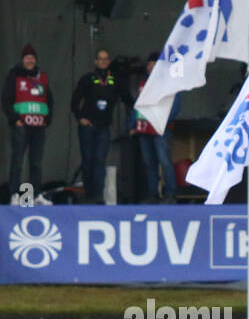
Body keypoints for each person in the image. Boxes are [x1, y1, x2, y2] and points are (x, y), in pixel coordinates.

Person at [72, 48, 128, 203]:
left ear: (109, 61)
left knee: (99, 161)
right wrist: (80, 118)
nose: (103, 62)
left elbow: (128, 99)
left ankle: (97, 196)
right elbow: (74, 102)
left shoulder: (115, 80)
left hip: (103, 128)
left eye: (106, 59)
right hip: (88, 127)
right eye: (100, 59)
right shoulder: (87, 79)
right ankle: (89, 194)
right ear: (95, 61)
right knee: (88, 160)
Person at [1, 43, 53, 206]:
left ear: (35, 60)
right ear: (22, 60)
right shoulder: (14, 75)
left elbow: (49, 100)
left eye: (32, 58)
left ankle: (36, 194)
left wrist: (47, 119)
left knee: (36, 162)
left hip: (38, 125)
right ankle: (15, 194)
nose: (29, 61)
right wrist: (14, 119)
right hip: (21, 124)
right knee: (18, 160)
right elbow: (6, 99)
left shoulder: (41, 77)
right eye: (27, 58)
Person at [130, 52, 179, 202]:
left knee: (164, 161)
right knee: (149, 163)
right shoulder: (142, 84)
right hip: (145, 129)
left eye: (155, 64)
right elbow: (138, 107)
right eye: (150, 64)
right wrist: (132, 125)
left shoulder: (168, 84)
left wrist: (162, 122)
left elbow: (175, 107)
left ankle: (171, 193)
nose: (151, 67)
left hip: (160, 129)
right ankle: (153, 193)